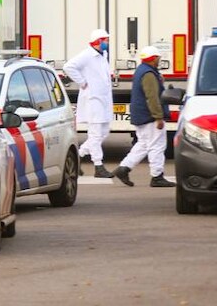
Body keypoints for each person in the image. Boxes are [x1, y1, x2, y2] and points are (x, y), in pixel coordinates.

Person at [112, 46, 175, 187]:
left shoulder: (143, 71)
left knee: (143, 144)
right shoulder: (149, 74)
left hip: (141, 115)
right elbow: (152, 97)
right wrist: (158, 117)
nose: (159, 60)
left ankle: (124, 168)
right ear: (153, 59)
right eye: (158, 58)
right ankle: (157, 176)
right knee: (157, 146)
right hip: (149, 117)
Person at [63, 28, 114, 178]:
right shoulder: (87, 55)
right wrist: (82, 82)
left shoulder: (102, 55)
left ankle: (77, 157)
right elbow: (68, 66)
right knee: (96, 134)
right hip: (93, 101)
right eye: (105, 40)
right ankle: (98, 166)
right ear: (98, 41)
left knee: (103, 132)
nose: (107, 42)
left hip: (103, 100)